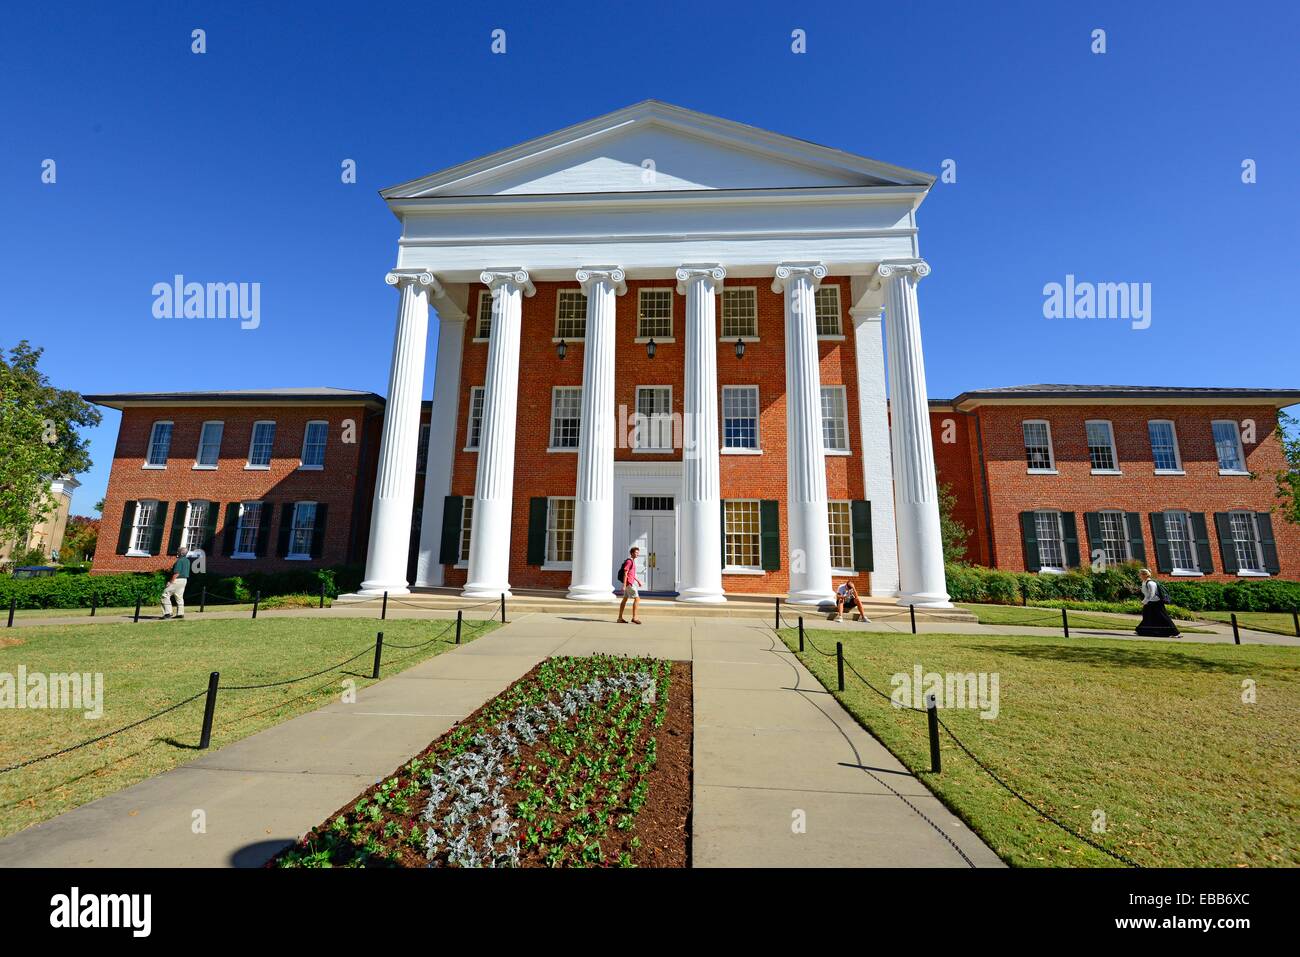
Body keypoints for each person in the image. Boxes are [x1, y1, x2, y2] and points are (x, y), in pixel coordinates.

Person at [1135, 568, 1180, 638]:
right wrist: (1145, 601)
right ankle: (1142, 630)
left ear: (1145, 575)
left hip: (1157, 603)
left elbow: (1151, 594)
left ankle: (1174, 632)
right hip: (1150, 602)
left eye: (1140, 574)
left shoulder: (1151, 583)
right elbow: (1146, 594)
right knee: (1147, 617)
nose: (1139, 576)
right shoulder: (1144, 582)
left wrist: (1144, 602)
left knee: (1164, 617)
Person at [161, 549, 192, 620]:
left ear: (181, 553)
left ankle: (168, 613)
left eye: (178, 551)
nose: (177, 552)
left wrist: (170, 582)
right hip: (184, 580)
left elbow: (177, 573)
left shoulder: (179, 561)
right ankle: (180, 613)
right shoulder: (187, 561)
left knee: (165, 594)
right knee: (179, 597)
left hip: (177, 580)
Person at [616, 546, 642, 625]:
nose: (638, 554)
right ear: (632, 553)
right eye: (636, 552)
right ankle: (634, 617)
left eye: (638, 552)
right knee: (637, 599)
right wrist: (624, 585)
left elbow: (631, 574)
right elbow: (625, 573)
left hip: (630, 582)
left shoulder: (632, 562)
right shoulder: (629, 562)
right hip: (629, 583)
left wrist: (638, 581)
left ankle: (620, 618)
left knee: (624, 599)